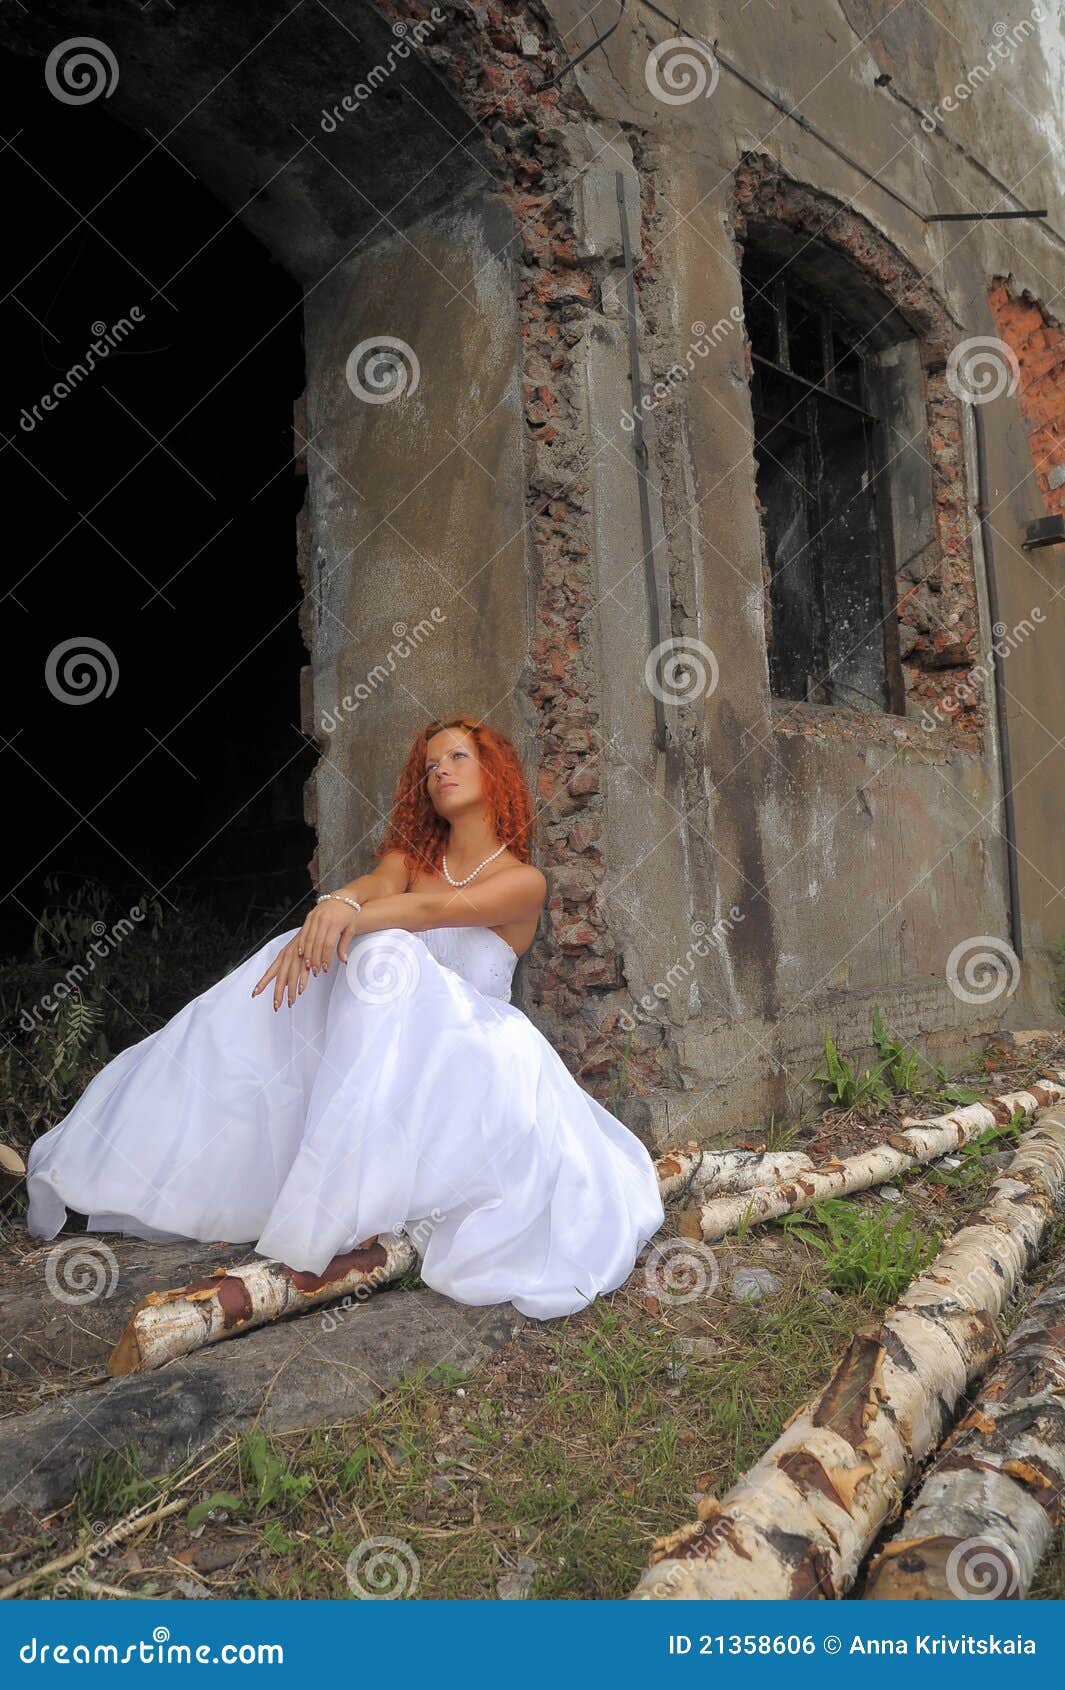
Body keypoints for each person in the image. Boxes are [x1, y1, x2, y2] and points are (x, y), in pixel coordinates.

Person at [24, 715, 665, 1320]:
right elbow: (375, 888)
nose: (439, 771)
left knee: (382, 950)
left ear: (493, 772)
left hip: (477, 1055)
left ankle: (338, 1208)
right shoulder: (410, 862)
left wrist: (345, 917)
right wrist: (334, 905)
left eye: (457, 757)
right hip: (393, 1048)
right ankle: (163, 1139)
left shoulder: (525, 881)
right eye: (430, 765)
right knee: (314, 950)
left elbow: (428, 913)